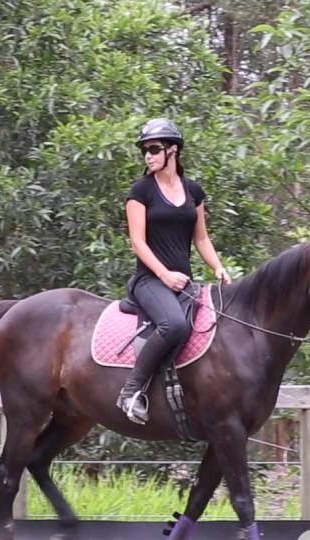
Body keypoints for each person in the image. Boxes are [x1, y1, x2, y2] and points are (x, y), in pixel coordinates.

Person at [116, 118, 232, 424]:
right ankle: (131, 391)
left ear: (173, 150)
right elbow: (138, 243)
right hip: (150, 280)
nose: (148, 156)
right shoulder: (140, 191)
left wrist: (218, 266)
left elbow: (201, 238)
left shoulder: (193, 191)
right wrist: (165, 274)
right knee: (174, 326)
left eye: (154, 149)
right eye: (145, 150)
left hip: (184, 283)